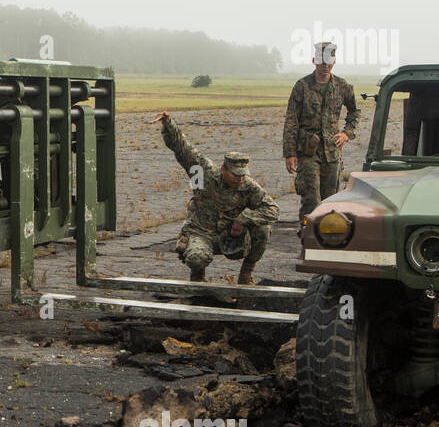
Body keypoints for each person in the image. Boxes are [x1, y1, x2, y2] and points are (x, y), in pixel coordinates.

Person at [151, 111, 280, 284]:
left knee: (263, 230)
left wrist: (243, 219)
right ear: (223, 170)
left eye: (243, 175)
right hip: (201, 233)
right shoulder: (205, 172)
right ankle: (197, 277)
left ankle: (246, 273)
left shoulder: (248, 186)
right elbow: (182, 148)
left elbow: (273, 210)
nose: (240, 179)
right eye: (235, 175)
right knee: (197, 258)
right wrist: (168, 124)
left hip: (230, 236)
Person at [283, 40, 360, 222]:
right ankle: (307, 236)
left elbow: (354, 111)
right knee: (311, 201)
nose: (325, 66)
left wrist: (347, 133)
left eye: (328, 61)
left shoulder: (342, 86)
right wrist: (290, 153)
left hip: (332, 153)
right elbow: (291, 120)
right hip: (308, 153)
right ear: (314, 61)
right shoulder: (302, 86)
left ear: (334, 62)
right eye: (321, 61)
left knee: (331, 201)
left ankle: (328, 241)